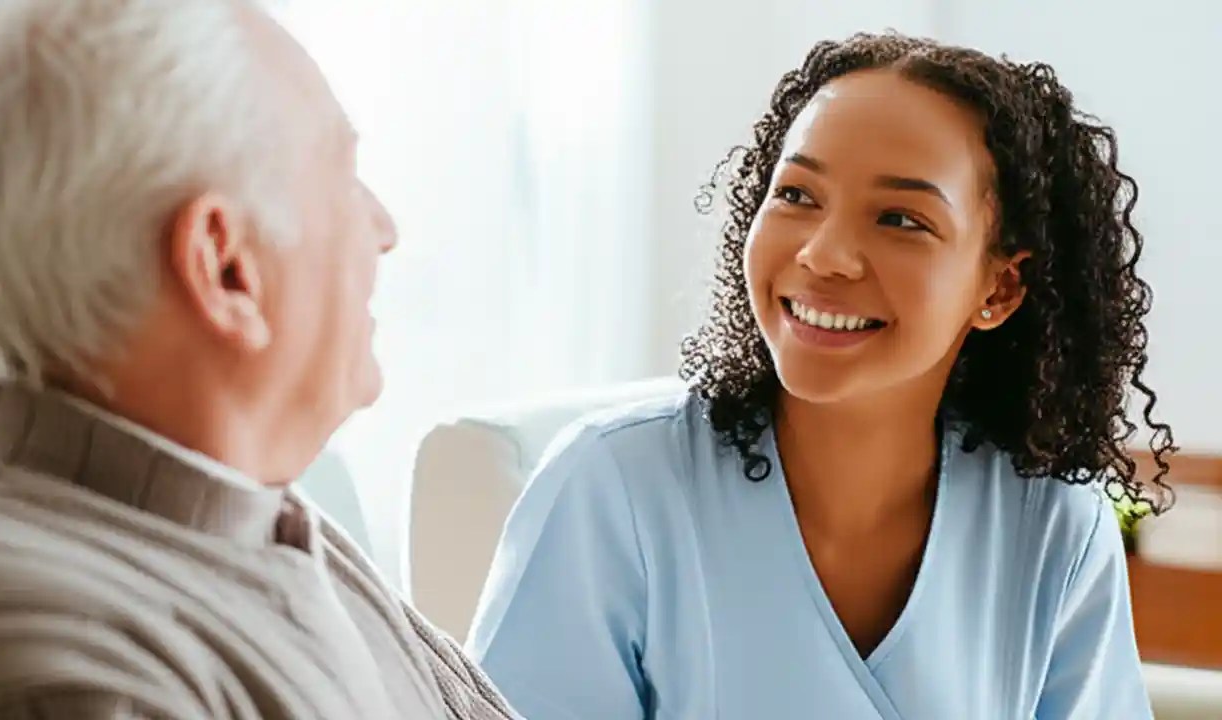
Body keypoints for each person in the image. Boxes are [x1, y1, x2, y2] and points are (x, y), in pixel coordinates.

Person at [466, 32, 1174, 719]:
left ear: (1000, 289)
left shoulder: (1053, 524)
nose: (824, 254)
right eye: (798, 196)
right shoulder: (613, 487)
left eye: (900, 218)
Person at [0, 1, 518, 718]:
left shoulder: (247, 511)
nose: (384, 229)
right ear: (227, 268)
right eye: (344, 176)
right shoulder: (54, 673)